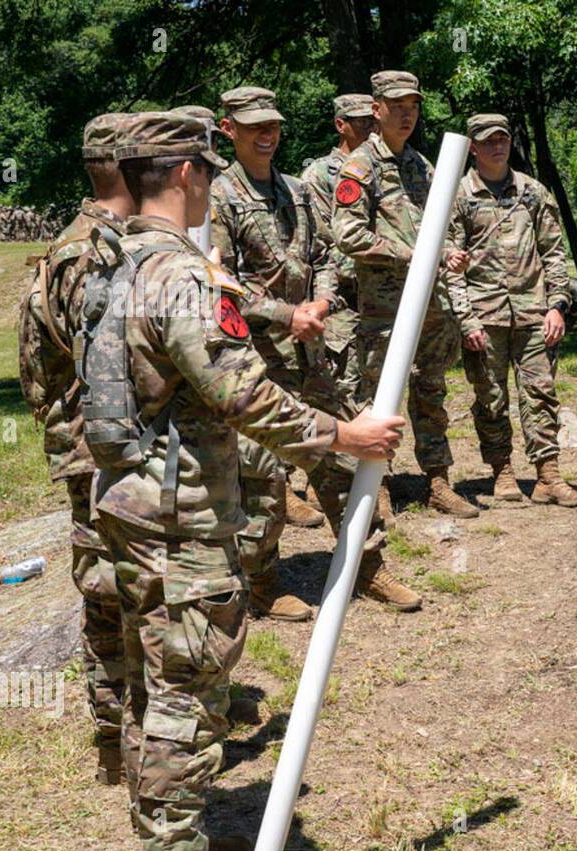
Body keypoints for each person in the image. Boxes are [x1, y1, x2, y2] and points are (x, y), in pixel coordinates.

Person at [97, 111, 404, 851]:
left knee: (153, 684)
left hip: (132, 506)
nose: (207, 185)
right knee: (186, 702)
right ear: (184, 175)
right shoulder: (182, 275)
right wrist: (344, 436)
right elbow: (245, 396)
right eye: (203, 170)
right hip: (180, 518)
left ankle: (175, 844)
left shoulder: (116, 260)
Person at [211, 86, 419, 616]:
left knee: (345, 461)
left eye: (273, 125)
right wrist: (287, 314)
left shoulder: (297, 191)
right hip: (255, 366)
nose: (267, 135)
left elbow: (328, 250)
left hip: (311, 358)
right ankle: (262, 585)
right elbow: (219, 283)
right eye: (254, 126)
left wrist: (323, 300)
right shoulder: (220, 199)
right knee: (263, 480)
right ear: (228, 129)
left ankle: (366, 570)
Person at [17, 113, 136, 785]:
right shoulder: (92, 251)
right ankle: (118, 742)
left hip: (93, 448)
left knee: (113, 589)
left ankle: (126, 734)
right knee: (109, 594)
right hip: (100, 452)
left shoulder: (91, 240)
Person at [332, 70, 478, 518]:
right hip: (385, 304)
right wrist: (411, 255)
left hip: (431, 304)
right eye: (397, 107)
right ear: (376, 111)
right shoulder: (361, 166)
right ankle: (377, 486)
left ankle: (438, 480)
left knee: (431, 390)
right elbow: (347, 233)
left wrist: (448, 252)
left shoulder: (422, 165)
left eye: (412, 106)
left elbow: (441, 226)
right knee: (377, 396)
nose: (407, 115)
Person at [445, 113, 577, 506]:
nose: (498, 146)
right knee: (491, 398)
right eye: (488, 140)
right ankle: (503, 471)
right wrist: (465, 317)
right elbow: (449, 264)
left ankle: (548, 475)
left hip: (533, 313)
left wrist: (558, 305)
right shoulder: (457, 197)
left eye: (503, 139)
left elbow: (554, 254)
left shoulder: (533, 193)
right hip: (483, 314)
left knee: (541, 393)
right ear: (472, 147)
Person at [302, 94, 377, 405]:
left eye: (374, 122)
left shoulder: (385, 168)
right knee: (340, 396)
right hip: (341, 301)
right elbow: (322, 245)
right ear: (340, 125)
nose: (372, 130)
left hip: (381, 300)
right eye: (362, 123)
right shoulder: (319, 175)